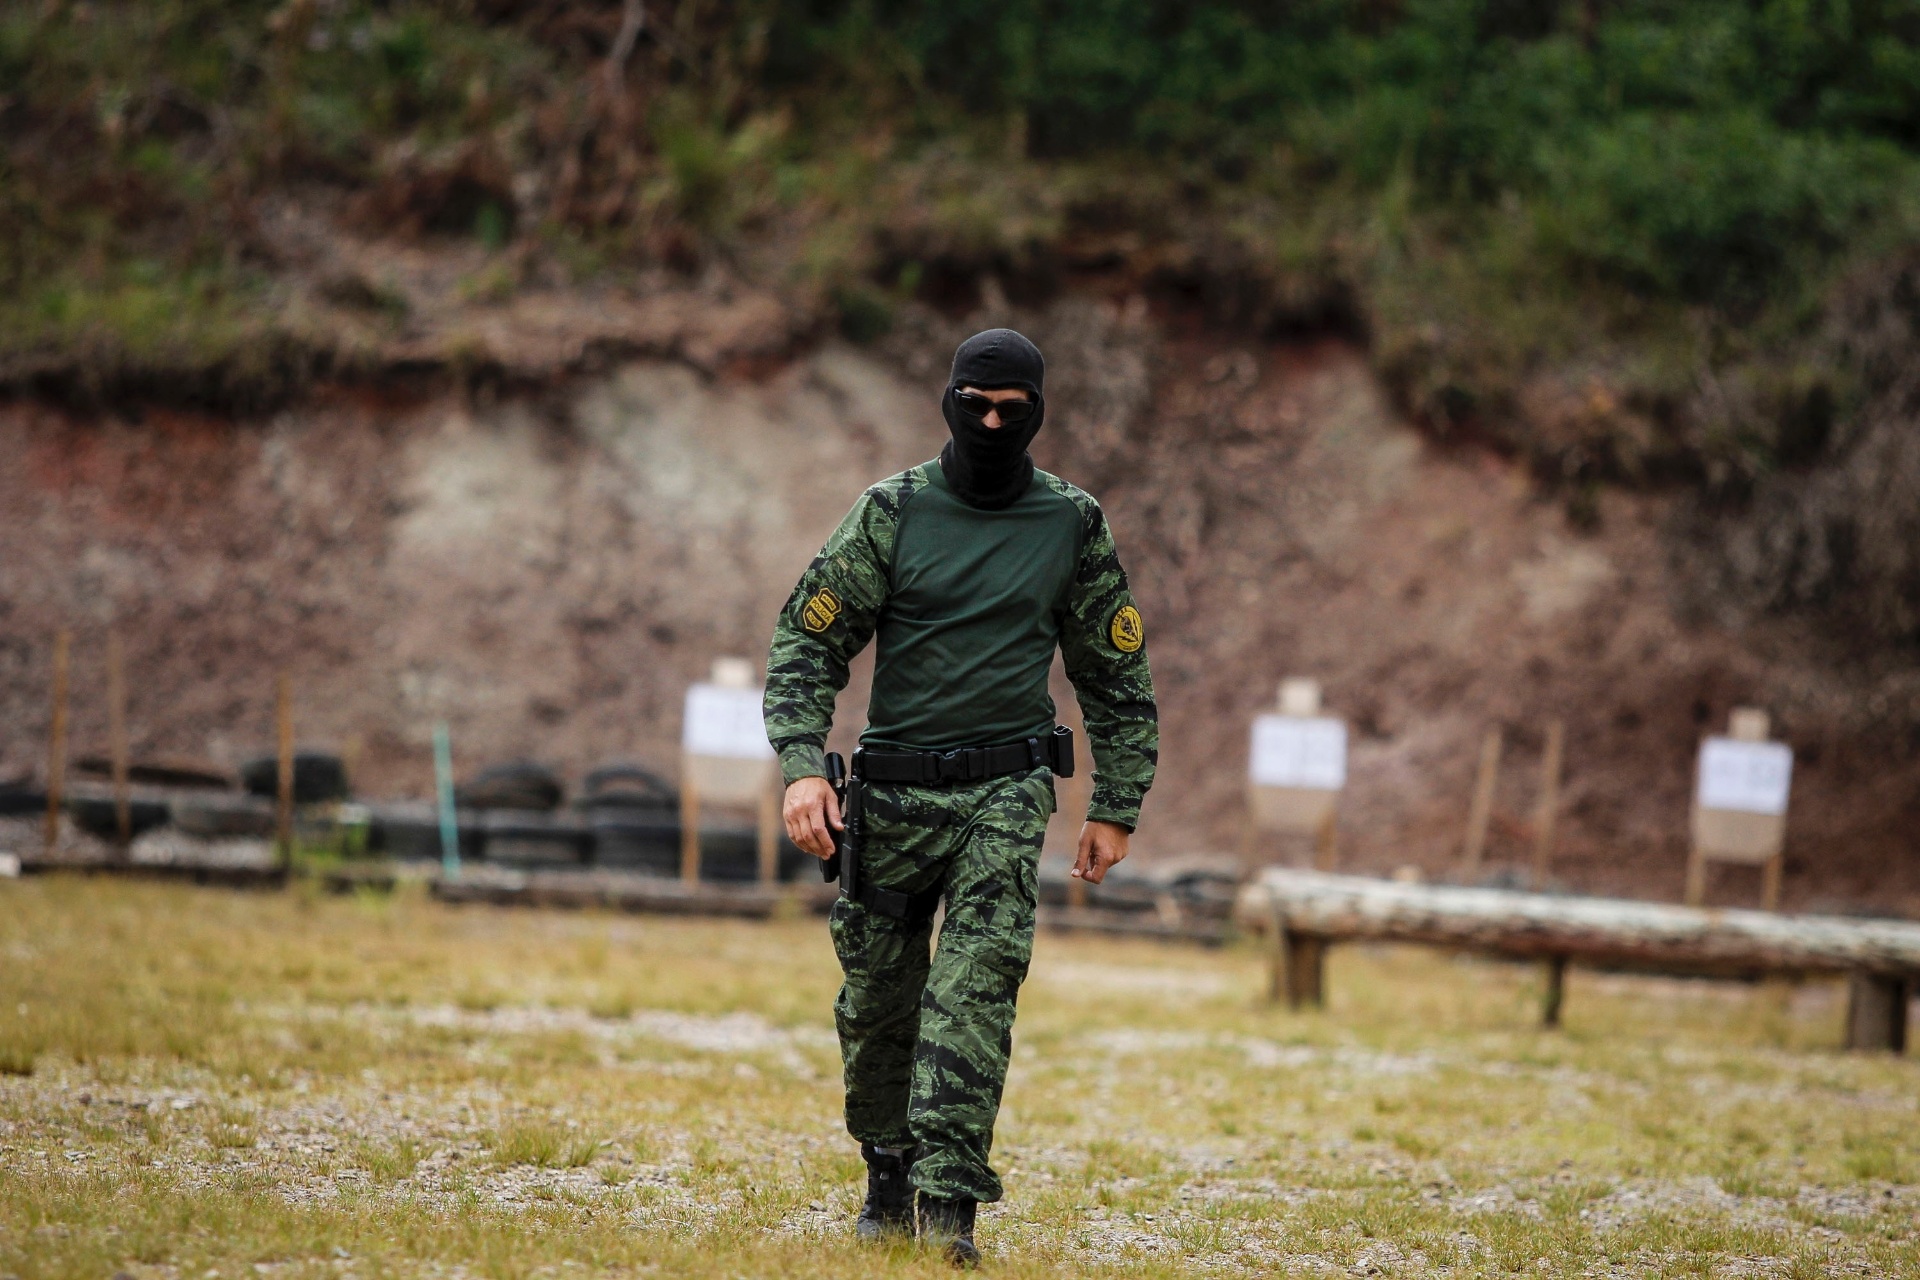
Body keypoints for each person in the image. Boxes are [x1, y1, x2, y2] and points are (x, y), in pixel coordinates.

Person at [762, 328, 1158, 1266]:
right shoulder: (892, 512)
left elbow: (1115, 674)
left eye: (1010, 412)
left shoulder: (1071, 522)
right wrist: (802, 766)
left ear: (1036, 414)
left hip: (1006, 794)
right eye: (974, 405)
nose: (989, 423)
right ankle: (887, 1168)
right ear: (948, 400)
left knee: (974, 992)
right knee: (878, 1002)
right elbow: (806, 643)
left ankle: (950, 1209)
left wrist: (1116, 803)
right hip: (890, 799)